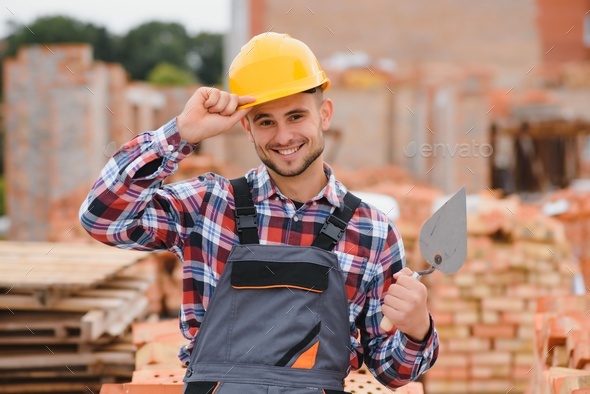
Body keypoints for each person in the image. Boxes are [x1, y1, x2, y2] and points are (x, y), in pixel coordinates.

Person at [80, 32, 438, 392]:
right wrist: (180, 134)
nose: (283, 137)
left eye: (296, 116)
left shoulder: (371, 231)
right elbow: (102, 218)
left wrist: (417, 328)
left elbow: (391, 372)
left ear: (324, 114)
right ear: (247, 128)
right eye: (266, 121)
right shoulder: (210, 205)